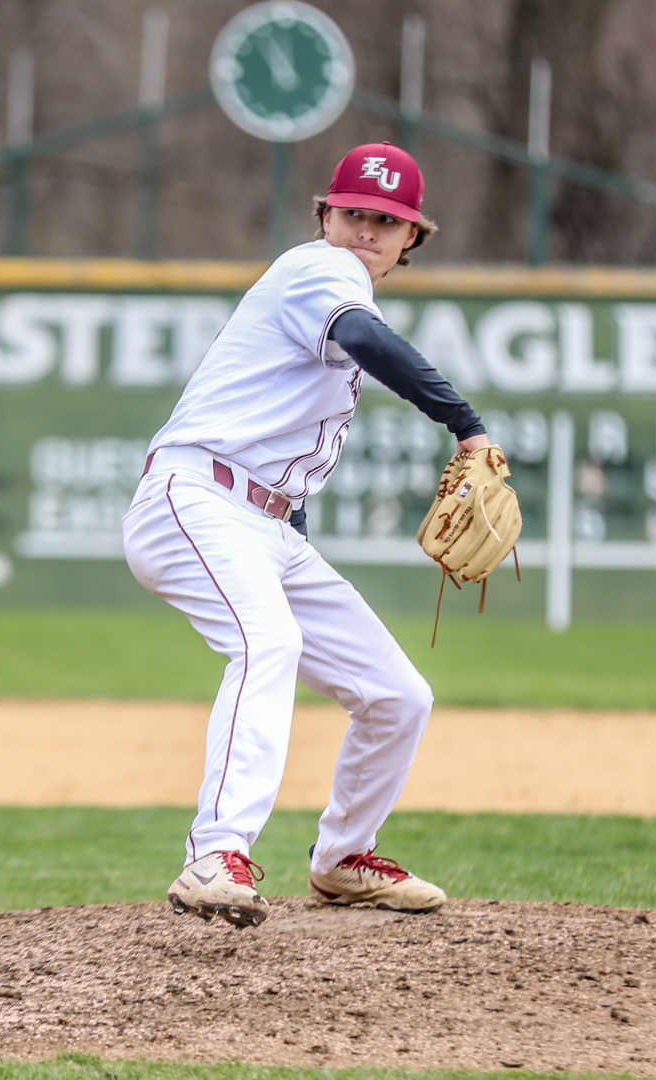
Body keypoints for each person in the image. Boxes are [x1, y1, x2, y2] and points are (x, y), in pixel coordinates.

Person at [121, 142, 494, 928]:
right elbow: (365, 339)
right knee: (269, 643)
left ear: (412, 239)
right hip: (197, 497)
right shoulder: (320, 270)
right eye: (354, 213)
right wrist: (464, 425)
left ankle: (342, 860)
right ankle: (214, 854)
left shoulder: (328, 282)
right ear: (325, 216)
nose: (367, 230)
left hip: (266, 522)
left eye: (387, 222)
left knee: (398, 695)